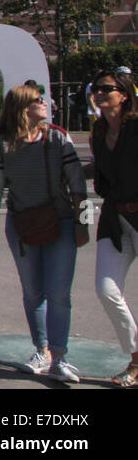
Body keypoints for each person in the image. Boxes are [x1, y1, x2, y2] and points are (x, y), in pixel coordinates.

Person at [0, 85, 88, 383]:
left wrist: (84, 225)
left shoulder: (57, 136)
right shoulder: (2, 143)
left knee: (59, 293)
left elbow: (78, 185)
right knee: (32, 292)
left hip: (62, 223)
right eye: (38, 100)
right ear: (22, 108)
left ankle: (60, 356)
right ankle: (41, 350)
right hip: (21, 226)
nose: (45, 103)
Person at [87, 70, 138, 387]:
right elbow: (103, 174)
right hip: (114, 220)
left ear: (124, 94)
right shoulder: (98, 130)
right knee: (106, 290)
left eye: (107, 88)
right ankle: (135, 356)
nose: (100, 93)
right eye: (97, 89)